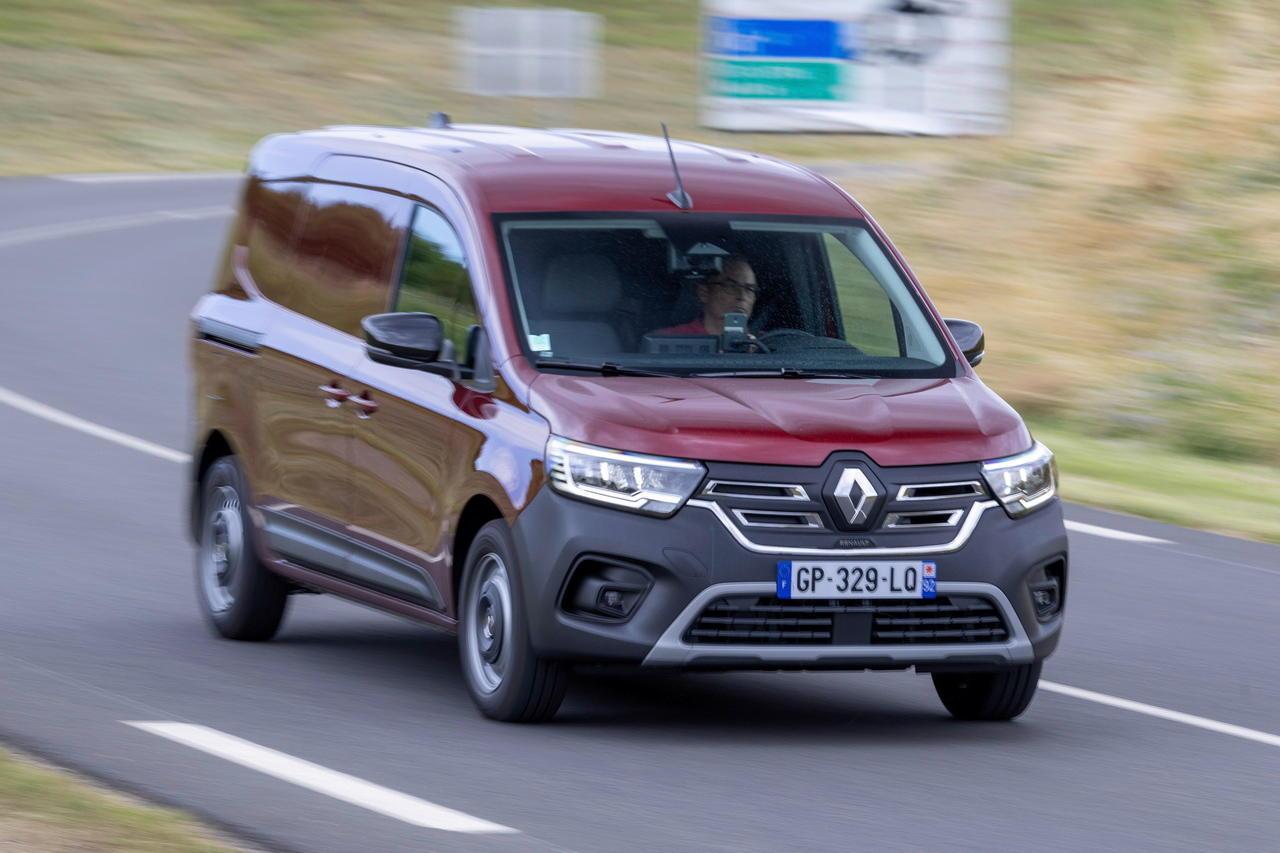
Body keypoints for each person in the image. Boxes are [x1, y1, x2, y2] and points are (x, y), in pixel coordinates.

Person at [650, 255, 759, 336]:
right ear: (704, 293)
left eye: (749, 289)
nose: (742, 296)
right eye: (731, 286)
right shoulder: (670, 339)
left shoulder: (767, 345)